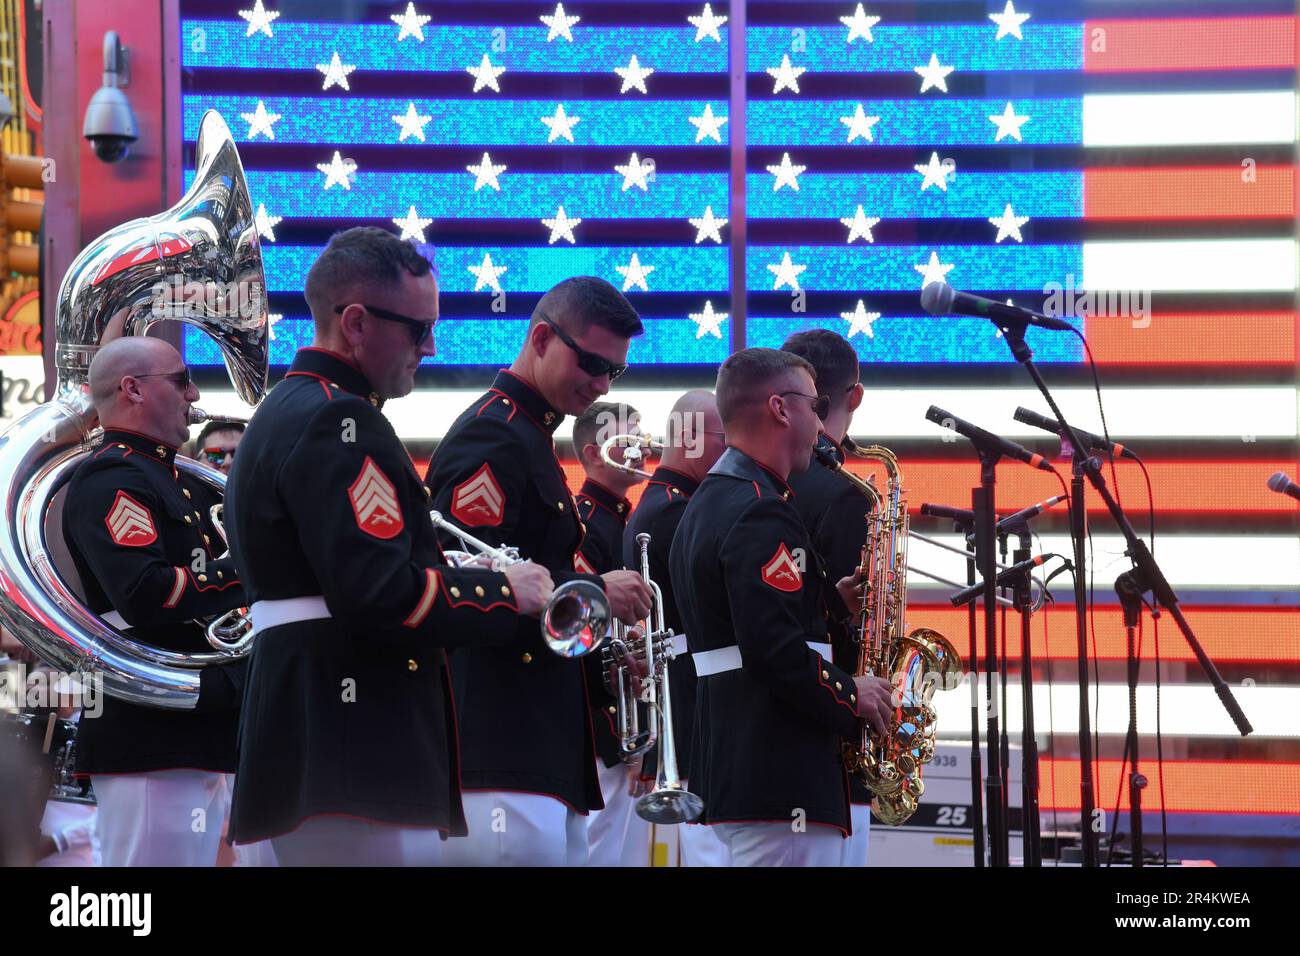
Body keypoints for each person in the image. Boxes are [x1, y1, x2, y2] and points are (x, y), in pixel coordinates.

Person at [225, 227, 552, 866]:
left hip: (308, 729)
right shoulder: (339, 421)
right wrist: (502, 590)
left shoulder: (289, 407)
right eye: (416, 329)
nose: (430, 347)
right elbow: (377, 594)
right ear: (355, 322)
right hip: (354, 738)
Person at [425, 276, 653, 867]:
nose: (602, 384)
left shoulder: (526, 436)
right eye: (594, 363)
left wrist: (602, 646)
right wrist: (595, 590)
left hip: (538, 744)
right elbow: (466, 583)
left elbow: (524, 579)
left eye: (615, 373)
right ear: (543, 338)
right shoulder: (494, 435)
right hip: (500, 741)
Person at [668, 348, 894, 867]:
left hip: (746, 771)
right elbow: (771, 648)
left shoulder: (714, 500)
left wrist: (826, 602)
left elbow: (734, 622)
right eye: (815, 406)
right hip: (781, 771)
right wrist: (851, 693)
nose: (821, 423)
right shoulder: (760, 509)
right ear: (780, 408)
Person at [61, 336, 247, 866]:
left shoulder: (169, 478)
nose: (193, 392)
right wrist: (254, 568)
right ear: (133, 389)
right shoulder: (113, 475)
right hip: (150, 731)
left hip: (195, 721)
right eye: (181, 379)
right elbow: (148, 593)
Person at [623, 389, 729, 867]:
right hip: (692, 703)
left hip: (683, 700)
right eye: (724, 439)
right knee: (713, 851)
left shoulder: (665, 502)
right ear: (689, 437)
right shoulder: (675, 511)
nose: (732, 451)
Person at [781, 329, 876, 866]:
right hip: (835, 750)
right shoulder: (847, 494)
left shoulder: (765, 483)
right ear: (854, 396)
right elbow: (852, 629)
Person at [569, 400, 648, 867]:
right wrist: (626, 733)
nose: (644, 449)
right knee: (598, 854)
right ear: (596, 454)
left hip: (623, 724)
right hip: (603, 725)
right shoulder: (584, 524)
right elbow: (589, 637)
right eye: (630, 440)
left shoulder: (622, 521)